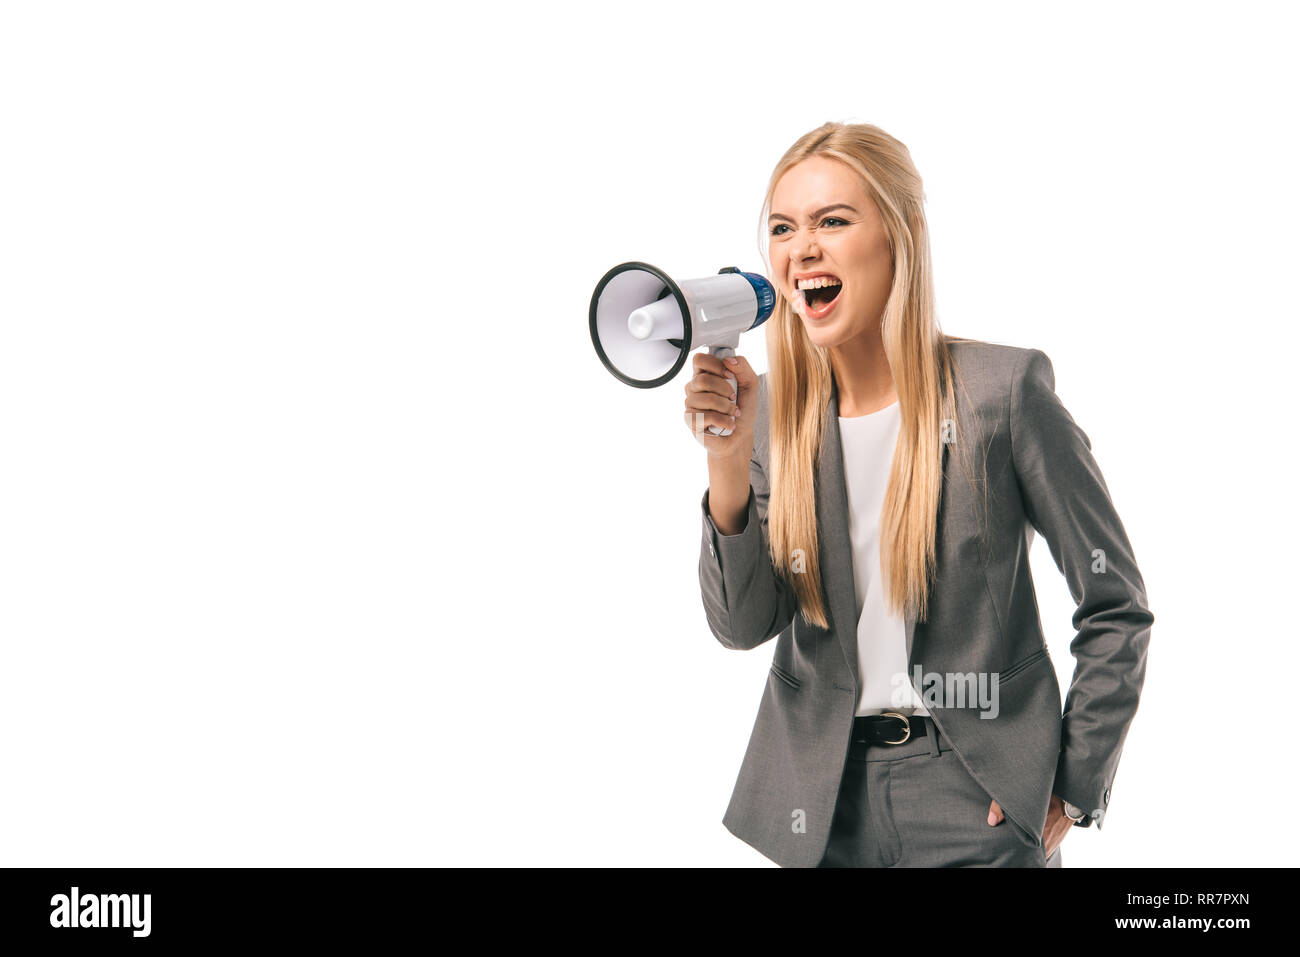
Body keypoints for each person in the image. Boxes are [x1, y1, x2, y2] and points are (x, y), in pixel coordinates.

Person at [687, 121, 1154, 868]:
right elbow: (744, 626)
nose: (802, 246)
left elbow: (1116, 603)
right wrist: (727, 463)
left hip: (978, 802)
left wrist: (1073, 780)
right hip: (821, 803)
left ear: (900, 235)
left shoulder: (1003, 393)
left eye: (832, 221)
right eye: (782, 227)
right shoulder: (770, 414)